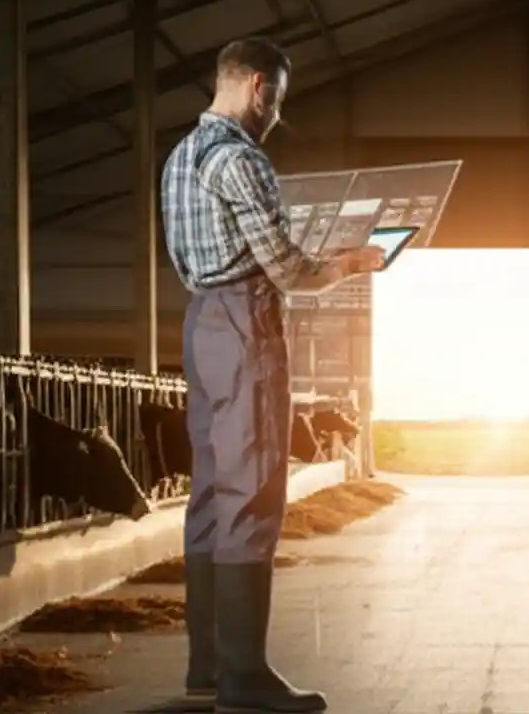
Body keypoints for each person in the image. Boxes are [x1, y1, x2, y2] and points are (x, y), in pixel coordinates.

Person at [161, 37, 382, 713]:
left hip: (201, 323)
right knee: (254, 487)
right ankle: (245, 676)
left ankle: (207, 669)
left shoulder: (178, 159)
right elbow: (286, 269)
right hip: (246, 322)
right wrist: (348, 264)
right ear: (260, 86)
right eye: (277, 101)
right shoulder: (241, 158)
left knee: (211, 492)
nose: (277, 116)